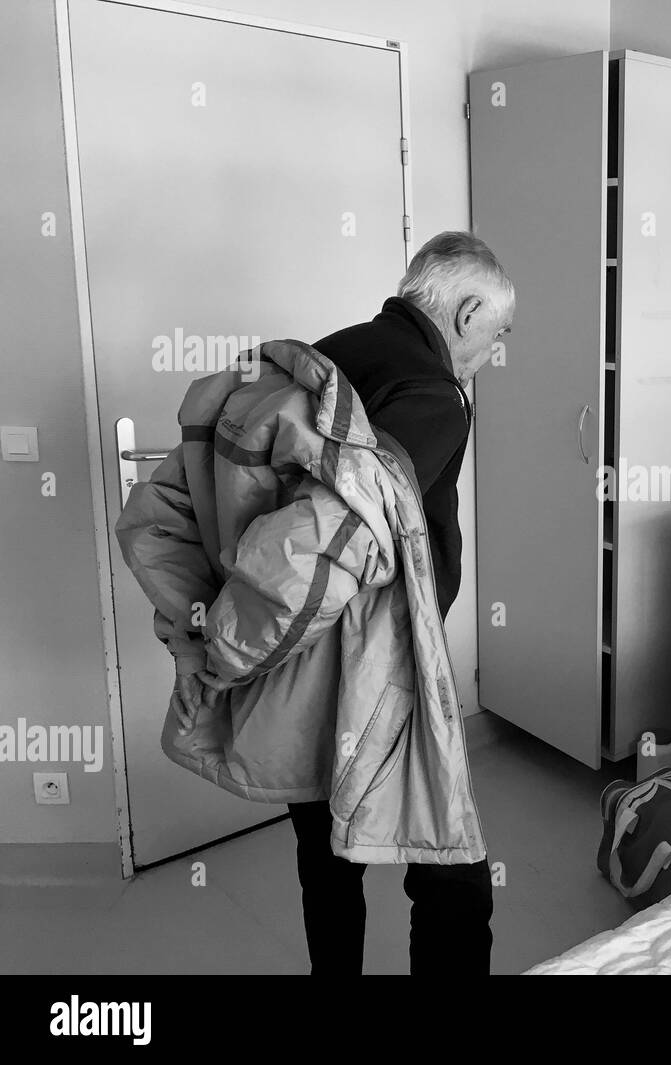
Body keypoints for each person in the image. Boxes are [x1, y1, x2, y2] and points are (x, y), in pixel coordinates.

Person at [116, 232, 515, 976]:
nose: (494, 353)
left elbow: (159, 507)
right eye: (497, 335)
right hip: (370, 667)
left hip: (288, 667)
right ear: (465, 314)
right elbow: (324, 544)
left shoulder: (319, 361)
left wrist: (205, 627)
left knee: (325, 855)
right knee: (450, 873)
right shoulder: (434, 398)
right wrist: (223, 651)